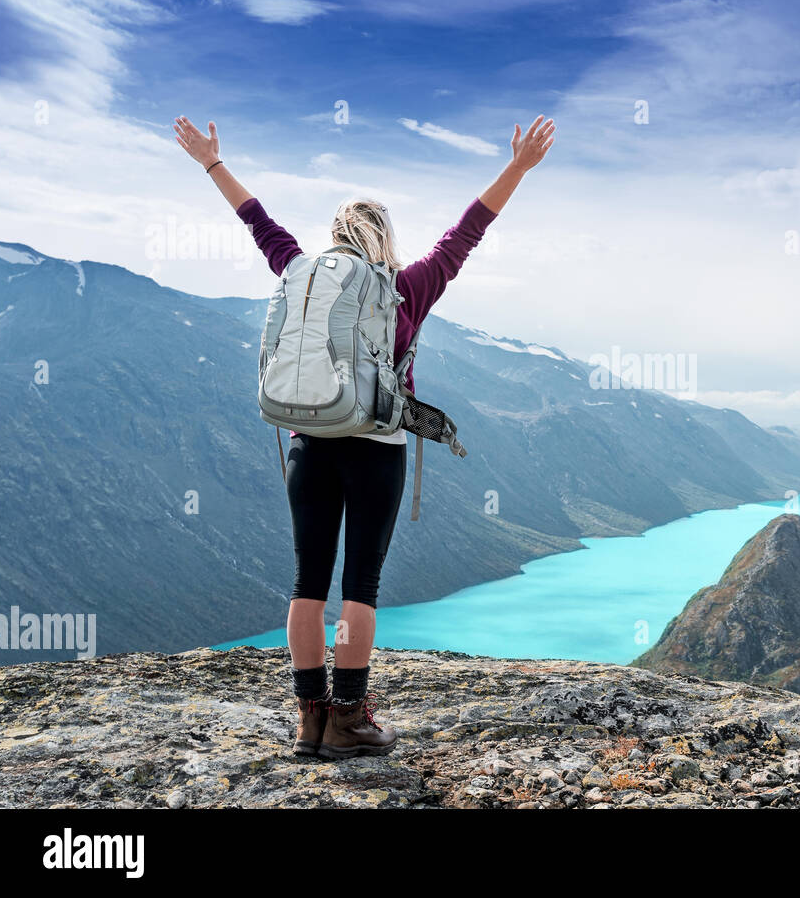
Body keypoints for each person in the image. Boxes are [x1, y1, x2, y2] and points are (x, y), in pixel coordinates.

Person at [173, 113, 555, 757]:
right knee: (362, 587)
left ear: (336, 239)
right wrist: (517, 167)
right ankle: (349, 720)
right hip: (376, 447)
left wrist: (211, 162)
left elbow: (257, 221)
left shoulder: (300, 271)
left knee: (307, 584)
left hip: (308, 443)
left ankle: (309, 719)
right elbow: (468, 233)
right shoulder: (409, 287)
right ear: (385, 240)